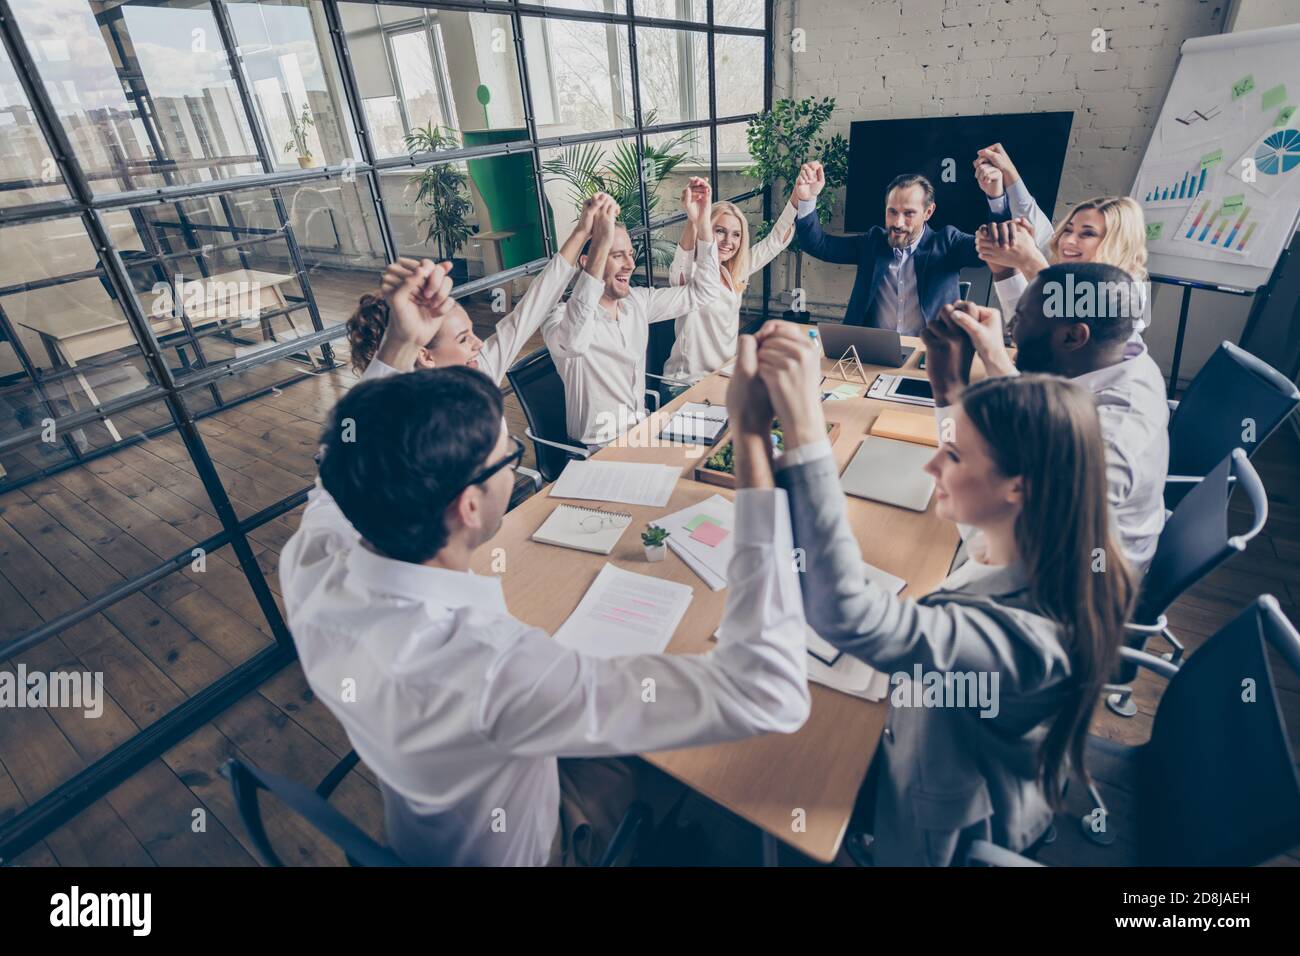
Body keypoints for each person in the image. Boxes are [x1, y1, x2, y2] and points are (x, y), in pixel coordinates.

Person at [279, 269, 810, 867]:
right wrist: (753, 446)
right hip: (531, 847)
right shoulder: (496, 670)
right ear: (469, 505)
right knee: (696, 780)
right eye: (508, 455)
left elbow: (333, 471)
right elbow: (770, 694)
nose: (515, 460)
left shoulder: (313, 569)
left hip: (424, 832)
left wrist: (398, 346)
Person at [741, 319, 1136, 866]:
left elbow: (851, 614)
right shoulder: (1042, 533)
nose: (932, 465)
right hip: (939, 742)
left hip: (933, 828)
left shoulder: (1030, 638)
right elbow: (978, 518)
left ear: (1016, 486)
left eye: (953, 456)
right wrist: (948, 385)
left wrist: (802, 428)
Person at [924, 261, 1169, 570]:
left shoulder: (1105, 445)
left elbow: (1002, 545)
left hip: (1068, 582)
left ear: (1073, 337)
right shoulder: (1121, 353)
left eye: (1021, 317)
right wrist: (990, 353)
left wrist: (947, 389)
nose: (1010, 329)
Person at [344, 193, 608, 384]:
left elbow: (534, 306)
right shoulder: (398, 423)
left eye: (471, 333)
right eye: (463, 338)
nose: (479, 344)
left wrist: (582, 232)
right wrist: (398, 342)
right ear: (425, 355)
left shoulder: (479, 369)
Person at [543, 179, 722, 446]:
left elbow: (703, 292)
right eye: (616, 255)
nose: (630, 264)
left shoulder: (637, 303)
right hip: (596, 450)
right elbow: (574, 343)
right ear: (587, 262)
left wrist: (702, 222)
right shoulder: (559, 319)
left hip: (642, 433)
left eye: (629, 254)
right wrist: (598, 245)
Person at [973, 142, 1151, 348]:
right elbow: (1022, 326)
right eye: (1068, 229)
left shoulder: (1132, 291)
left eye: (1088, 233)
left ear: (1118, 244)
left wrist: (1030, 262)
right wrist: (1003, 268)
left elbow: (1079, 339)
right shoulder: (1067, 269)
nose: (1068, 240)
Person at [791, 161, 987, 333]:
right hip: (872, 352)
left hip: (929, 355)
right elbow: (819, 245)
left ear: (928, 212)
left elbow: (992, 250)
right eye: (892, 212)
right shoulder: (873, 242)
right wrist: (807, 199)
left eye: (909, 213)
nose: (898, 223)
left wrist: (996, 198)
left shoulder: (947, 242)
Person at [661, 191, 799, 385]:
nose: (728, 241)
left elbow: (774, 242)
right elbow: (679, 270)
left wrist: (796, 197)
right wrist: (694, 220)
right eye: (720, 231)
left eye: (736, 234)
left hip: (722, 377)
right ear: (706, 231)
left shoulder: (733, 273)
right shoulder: (693, 272)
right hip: (687, 383)